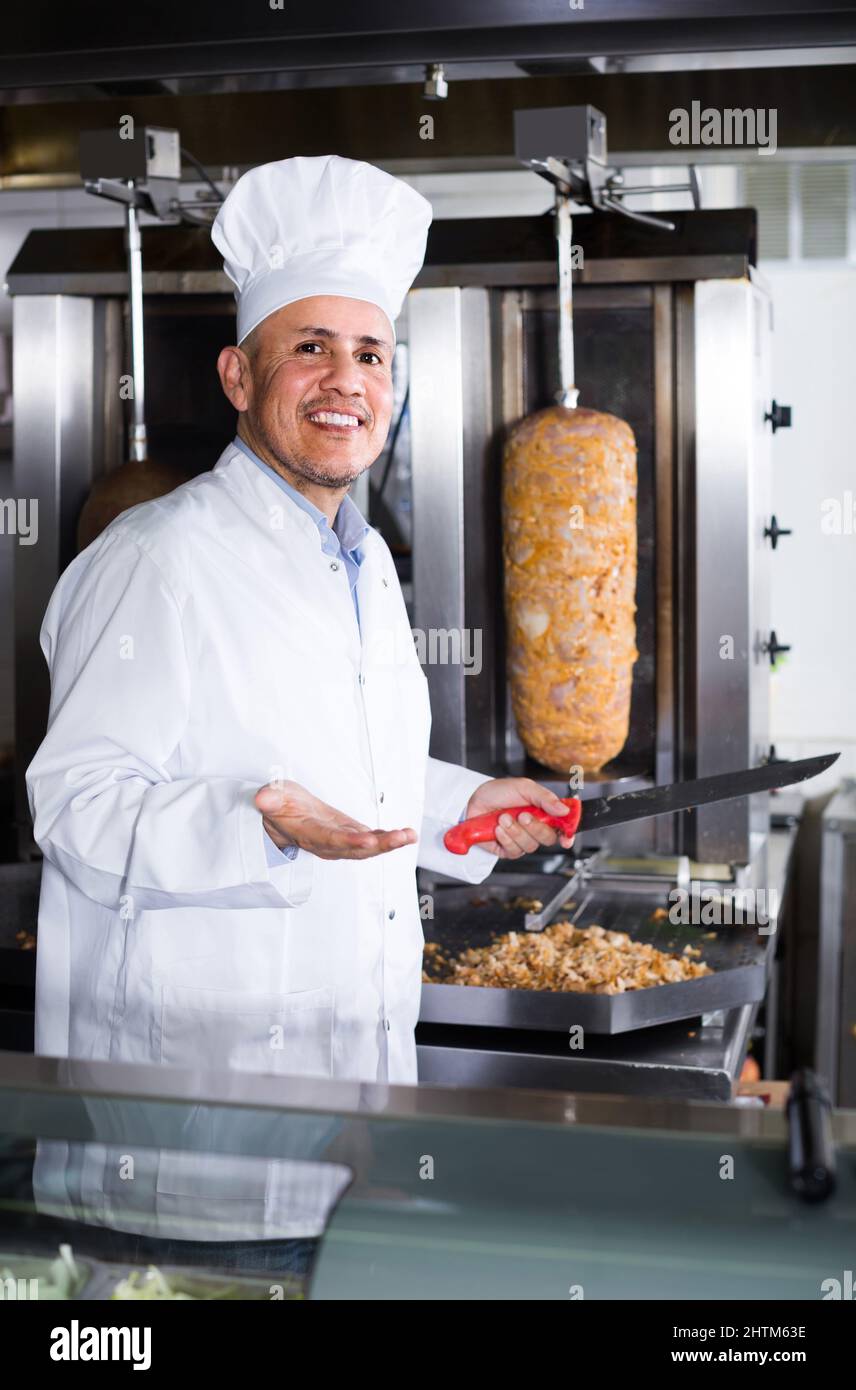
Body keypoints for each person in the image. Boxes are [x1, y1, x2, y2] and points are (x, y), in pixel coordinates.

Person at [27, 154, 574, 1092]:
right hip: (190, 1114)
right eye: (311, 348)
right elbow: (74, 805)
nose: (345, 381)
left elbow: (343, 770)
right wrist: (260, 829)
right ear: (239, 376)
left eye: (370, 354)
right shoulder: (155, 557)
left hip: (356, 1093)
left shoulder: (360, 563)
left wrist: (457, 808)